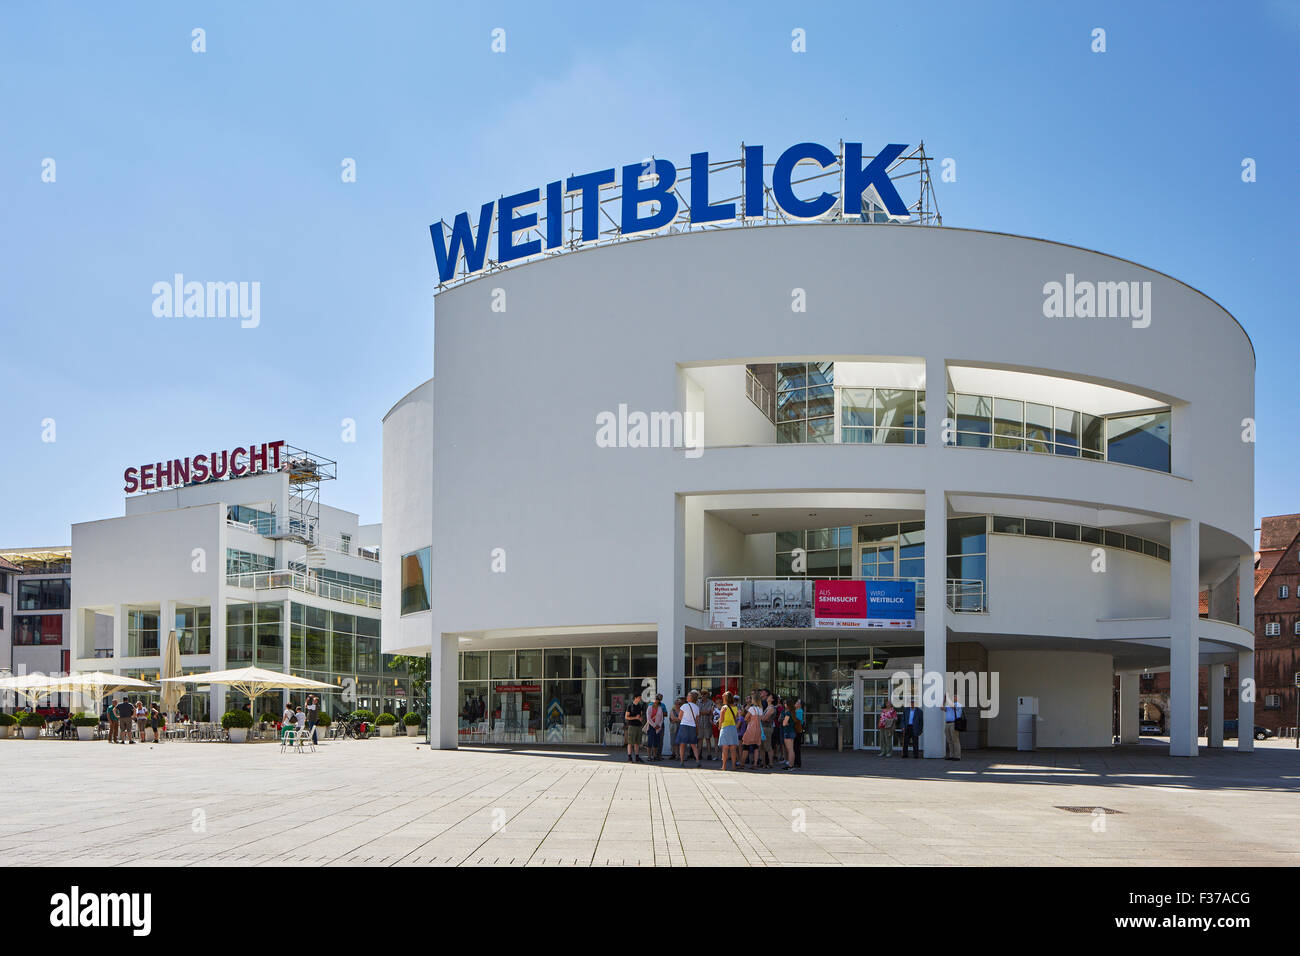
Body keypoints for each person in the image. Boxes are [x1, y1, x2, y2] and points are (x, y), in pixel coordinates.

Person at [717, 692, 742, 770]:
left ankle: (724, 766)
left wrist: (719, 726)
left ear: (725, 699)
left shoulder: (724, 707)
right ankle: (734, 766)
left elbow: (721, 719)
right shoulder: (735, 707)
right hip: (733, 728)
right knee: (733, 749)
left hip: (725, 728)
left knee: (725, 749)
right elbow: (738, 717)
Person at [677, 690, 701, 766]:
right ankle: (697, 760)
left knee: (682, 744)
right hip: (692, 727)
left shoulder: (684, 706)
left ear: (691, 698)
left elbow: (679, 717)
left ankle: (681, 761)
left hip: (684, 726)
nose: (687, 697)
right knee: (693, 745)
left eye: (688, 696)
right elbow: (697, 719)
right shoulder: (697, 708)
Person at [742, 693, 764, 768]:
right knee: (756, 746)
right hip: (758, 729)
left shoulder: (751, 708)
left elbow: (746, 718)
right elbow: (761, 719)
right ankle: (755, 764)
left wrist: (748, 720)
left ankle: (742, 763)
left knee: (746, 745)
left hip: (751, 728)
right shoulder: (761, 709)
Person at [624, 692, 645, 763]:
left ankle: (637, 756)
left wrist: (641, 718)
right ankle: (629, 757)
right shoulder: (630, 705)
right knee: (630, 742)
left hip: (639, 725)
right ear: (635, 698)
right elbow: (626, 717)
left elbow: (641, 715)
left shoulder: (640, 706)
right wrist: (635, 717)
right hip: (632, 726)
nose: (640, 699)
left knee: (637, 742)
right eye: (639, 697)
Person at [645, 693, 665, 760]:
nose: (656, 700)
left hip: (658, 727)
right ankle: (649, 756)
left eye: (658, 699)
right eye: (655, 699)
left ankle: (655, 756)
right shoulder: (650, 707)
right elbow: (648, 718)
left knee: (656, 741)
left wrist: (659, 725)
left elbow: (662, 718)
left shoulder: (660, 708)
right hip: (651, 726)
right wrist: (654, 725)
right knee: (650, 741)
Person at [697, 692, 716, 761]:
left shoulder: (711, 702)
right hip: (700, 723)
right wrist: (704, 712)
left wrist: (701, 712)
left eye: (704, 694)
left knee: (708, 739)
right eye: (702, 694)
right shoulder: (698, 702)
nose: (703, 696)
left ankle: (709, 754)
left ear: (707, 695)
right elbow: (697, 711)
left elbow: (709, 712)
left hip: (707, 723)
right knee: (700, 739)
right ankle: (698, 755)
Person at [943, 696, 963, 760]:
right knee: (949, 740)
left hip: (954, 723)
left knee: (955, 740)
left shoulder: (959, 705)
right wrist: (944, 700)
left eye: (955, 697)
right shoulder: (949, 705)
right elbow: (942, 708)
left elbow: (953, 707)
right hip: (947, 724)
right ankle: (952, 755)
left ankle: (957, 756)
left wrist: (948, 699)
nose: (953, 698)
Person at [780, 700, 797, 769]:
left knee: (789, 749)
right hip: (792, 731)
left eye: (785, 703)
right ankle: (791, 764)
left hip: (788, 731)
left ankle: (790, 765)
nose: (784, 704)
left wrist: (784, 721)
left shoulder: (788, 713)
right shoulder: (793, 712)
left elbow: (784, 723)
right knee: (791, 749)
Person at [792, 697, 805, 768]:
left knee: (796, 746)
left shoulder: (799, 711)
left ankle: (797, 762)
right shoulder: (796, 710)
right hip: (796, 730)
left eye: (797, 702)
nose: (795, 703)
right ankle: (796, 761)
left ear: (800, 705)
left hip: (797, 730)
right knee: (795, 746)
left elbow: (797, 721)